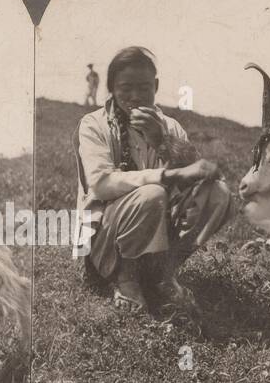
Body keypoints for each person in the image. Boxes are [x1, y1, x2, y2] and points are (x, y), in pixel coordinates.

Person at [74, 46, 235, 319]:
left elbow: (196, 176)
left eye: (144, 88)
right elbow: (101, 184)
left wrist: (162, 142)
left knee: (218, 194)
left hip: (157, 235)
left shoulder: (169, 127)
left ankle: (164, 273)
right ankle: (125, 279)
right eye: (125, 88)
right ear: (111, 88)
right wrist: (165, 175)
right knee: (152, 194)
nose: (135, 96)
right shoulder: (93, 124)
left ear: (156, 87)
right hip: (106, 243)